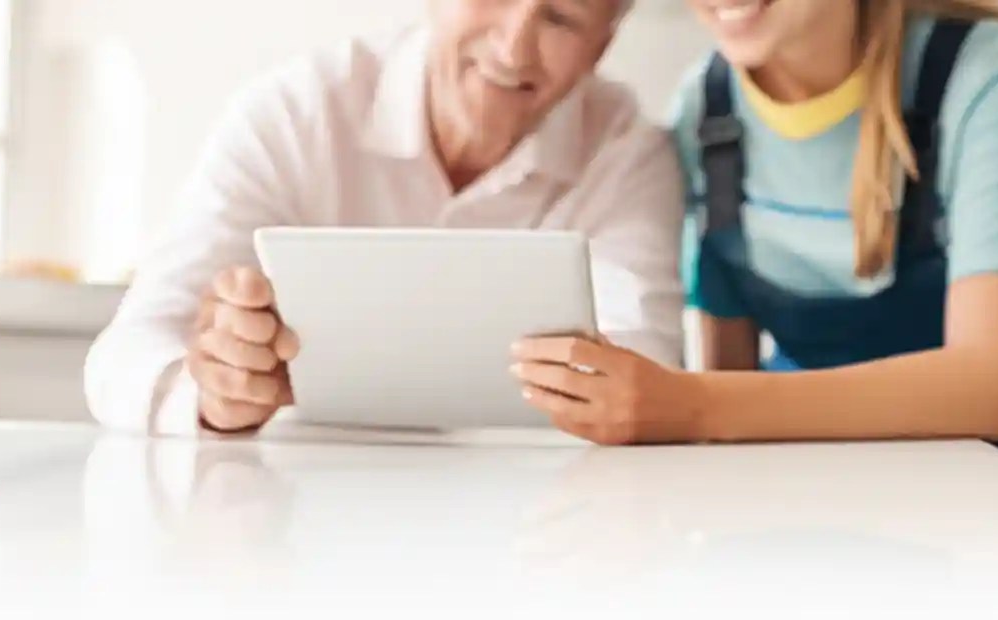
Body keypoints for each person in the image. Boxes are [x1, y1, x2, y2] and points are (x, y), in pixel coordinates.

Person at [510, 0, 998, 483]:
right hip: (817, 472)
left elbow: (989, 388)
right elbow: (729, 376)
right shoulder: (705, 108)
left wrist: (688, 404)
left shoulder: (982, 72)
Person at [85, 0, 686, 435]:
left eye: (562, 18)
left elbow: (644, 374)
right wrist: (214, 392)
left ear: (603, 43)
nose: (512, 50)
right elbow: (124, 356)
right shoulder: (297, 113)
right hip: (298, 507)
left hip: (529, 514)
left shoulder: (625, 155)